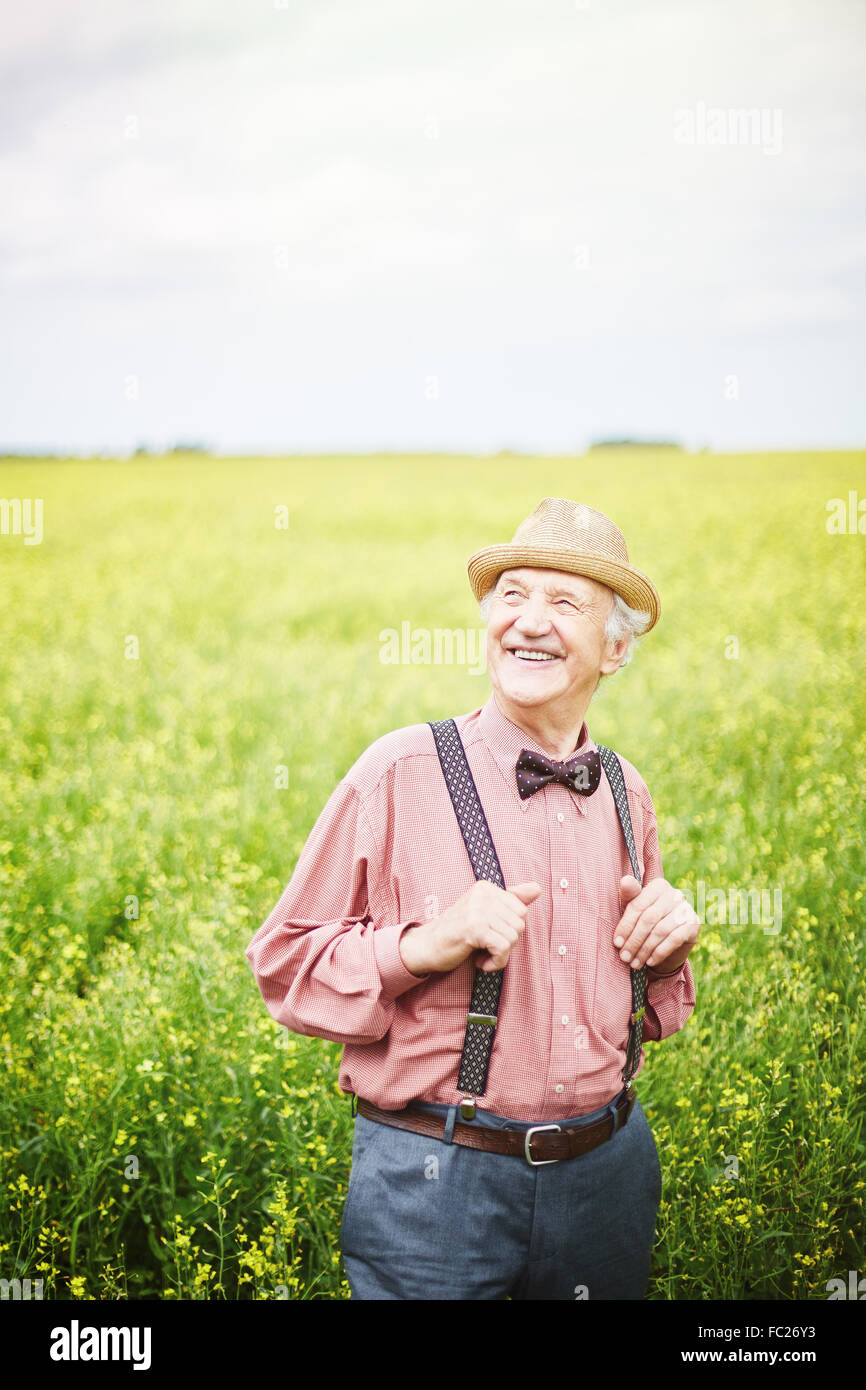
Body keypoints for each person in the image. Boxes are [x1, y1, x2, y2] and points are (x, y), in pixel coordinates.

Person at [245, 496, 698, 1300]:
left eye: (565, 603)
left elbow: (653, 1007)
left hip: (608, 1179)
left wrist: (666, 952)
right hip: (436, 1185)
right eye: (512, 596)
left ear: (616, 649)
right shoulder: (398, 771)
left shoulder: (628, 792)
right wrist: (421, 945)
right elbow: (283, 962)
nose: (528, 621)